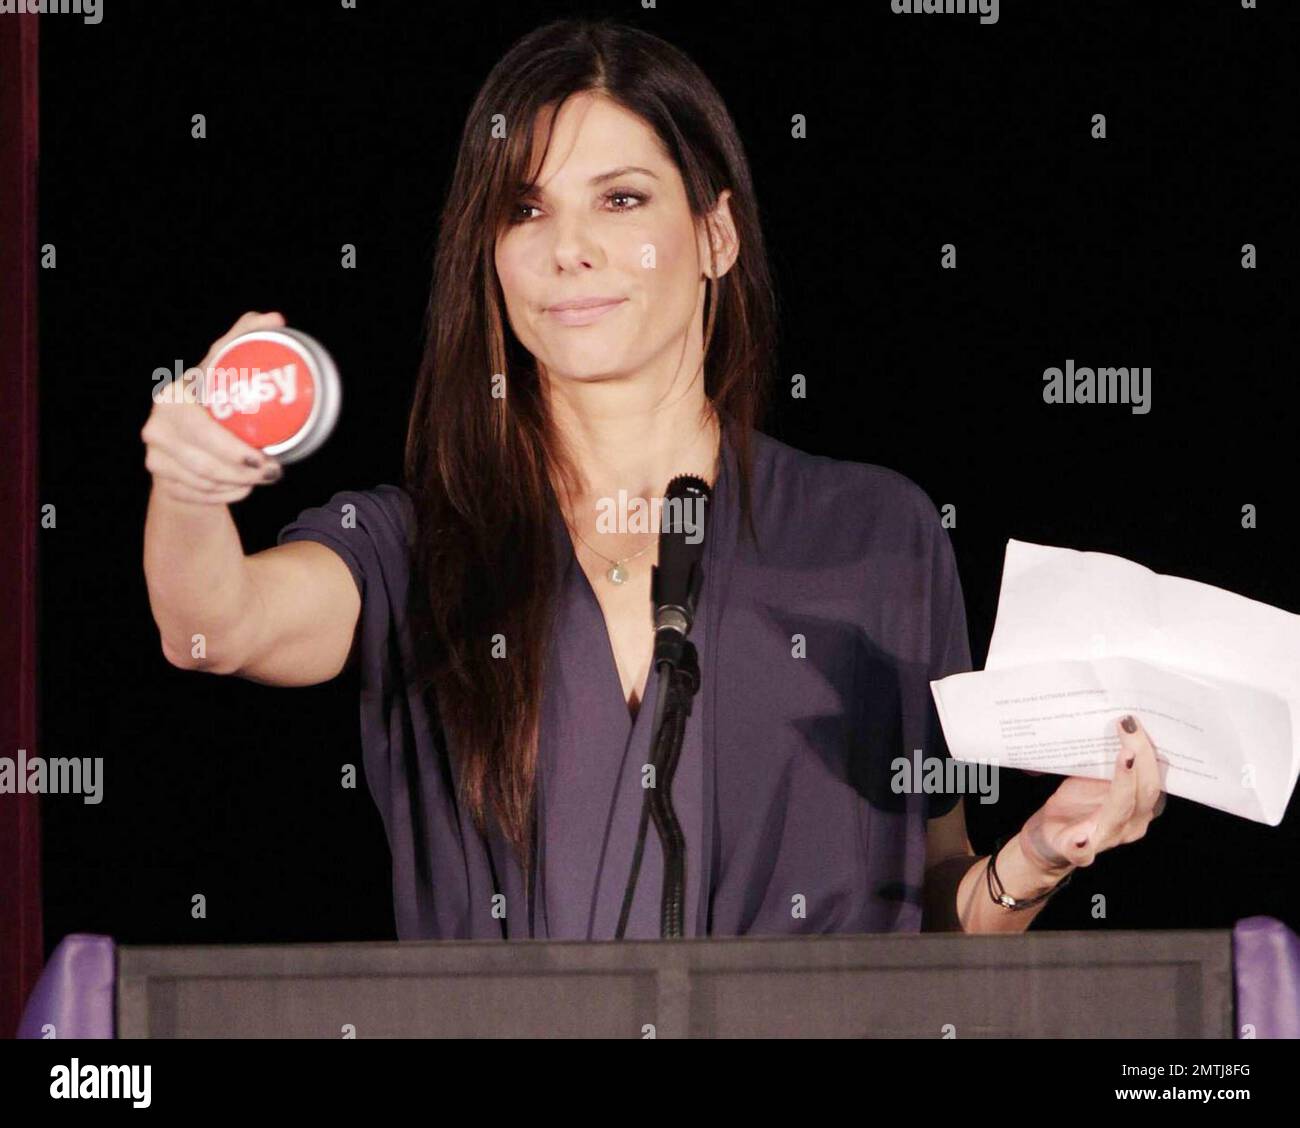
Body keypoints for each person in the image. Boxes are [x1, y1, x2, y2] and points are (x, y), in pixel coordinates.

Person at [141, 18, 1164, 942]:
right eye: (525, 210)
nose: (569, 250)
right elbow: (214, 627)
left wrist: (1032, 862)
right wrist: (189, 485)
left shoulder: (878, 533)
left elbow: (934, 916)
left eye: (620, 199)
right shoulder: (412, 545)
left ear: (715, 235)